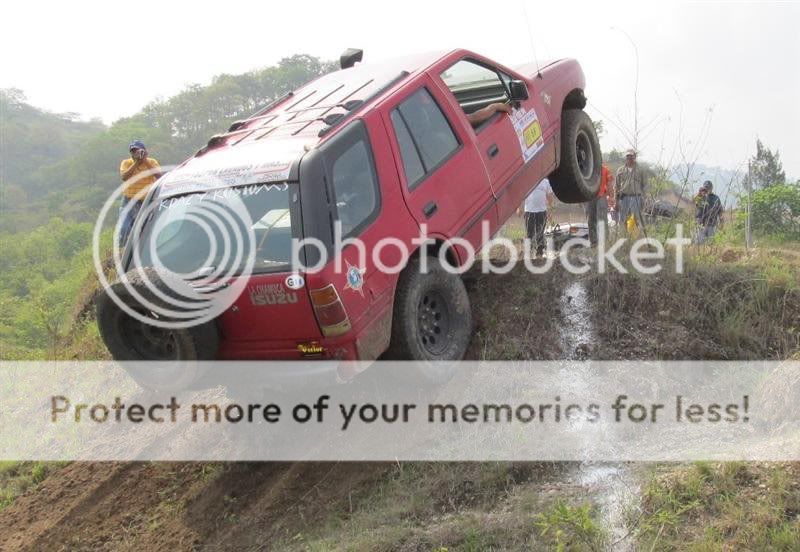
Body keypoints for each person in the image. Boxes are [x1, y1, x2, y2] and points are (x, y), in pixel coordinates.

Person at [119, 140, 161, 247]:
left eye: (138, 151)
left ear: (145, 151)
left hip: (145, 200)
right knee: (124, 227)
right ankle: (123, 249)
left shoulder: (152, 162)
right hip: (129, 199)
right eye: (133, 151)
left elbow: (159, 176)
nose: (136, 153)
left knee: (143, 228)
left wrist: (145, 160)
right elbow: (124, 177)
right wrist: (136, 163)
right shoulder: (126, 163)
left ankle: (140, 248)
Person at [615, 149, 648, 231]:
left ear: (634, 157)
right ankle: (623, 236)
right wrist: (616, 201)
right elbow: (616, 186)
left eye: (631, 156)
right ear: (626, 158)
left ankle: (633, 237)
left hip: (636, 198)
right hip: (623, 198)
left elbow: (645, 185)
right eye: (628, 156)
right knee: (623, 220)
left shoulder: (640, 170)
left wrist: (645, 198)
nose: (629, 158)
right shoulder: (620, 170)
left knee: (635, 219)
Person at [522, 178, 554, 257]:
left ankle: (540, 253)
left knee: (540, 232)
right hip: (529, 211)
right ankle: (529, 253)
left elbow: (550, 197)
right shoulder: (526, 180)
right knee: (529, 233)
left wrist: (550, 210)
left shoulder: (545, 182)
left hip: (542, 212)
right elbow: (521, 195)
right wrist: (519, 208)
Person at [585, 164, 614, 246]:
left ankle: (605, 242)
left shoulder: (605, 169)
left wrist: (611, 197)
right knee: (590, 220)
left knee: (602, 219)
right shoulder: (587, 169)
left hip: (601, 196)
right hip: (590, 197)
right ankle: (593, 242)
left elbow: (609, 184)